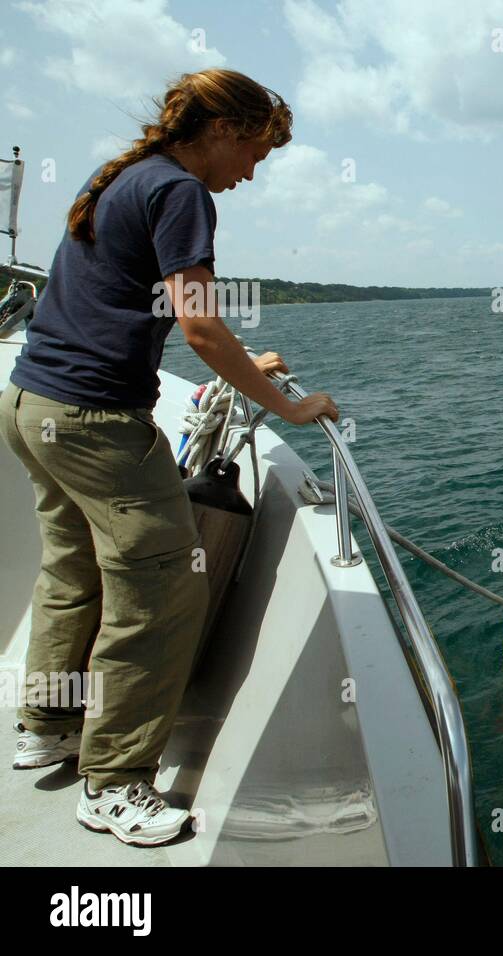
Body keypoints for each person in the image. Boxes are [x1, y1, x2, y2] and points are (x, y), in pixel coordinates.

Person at [1, 69, 339, 846]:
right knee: (160, 589)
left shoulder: (121, 175)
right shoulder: (185, 194)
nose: (251, 171)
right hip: (94, 421)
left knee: (71, 567)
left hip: (31, 404)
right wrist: (287, 403)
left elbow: (116, 298)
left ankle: (46, 724)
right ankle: (114, 781)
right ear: (221, 129)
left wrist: (244, 359)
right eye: (255, 150)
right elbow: (199, 329)